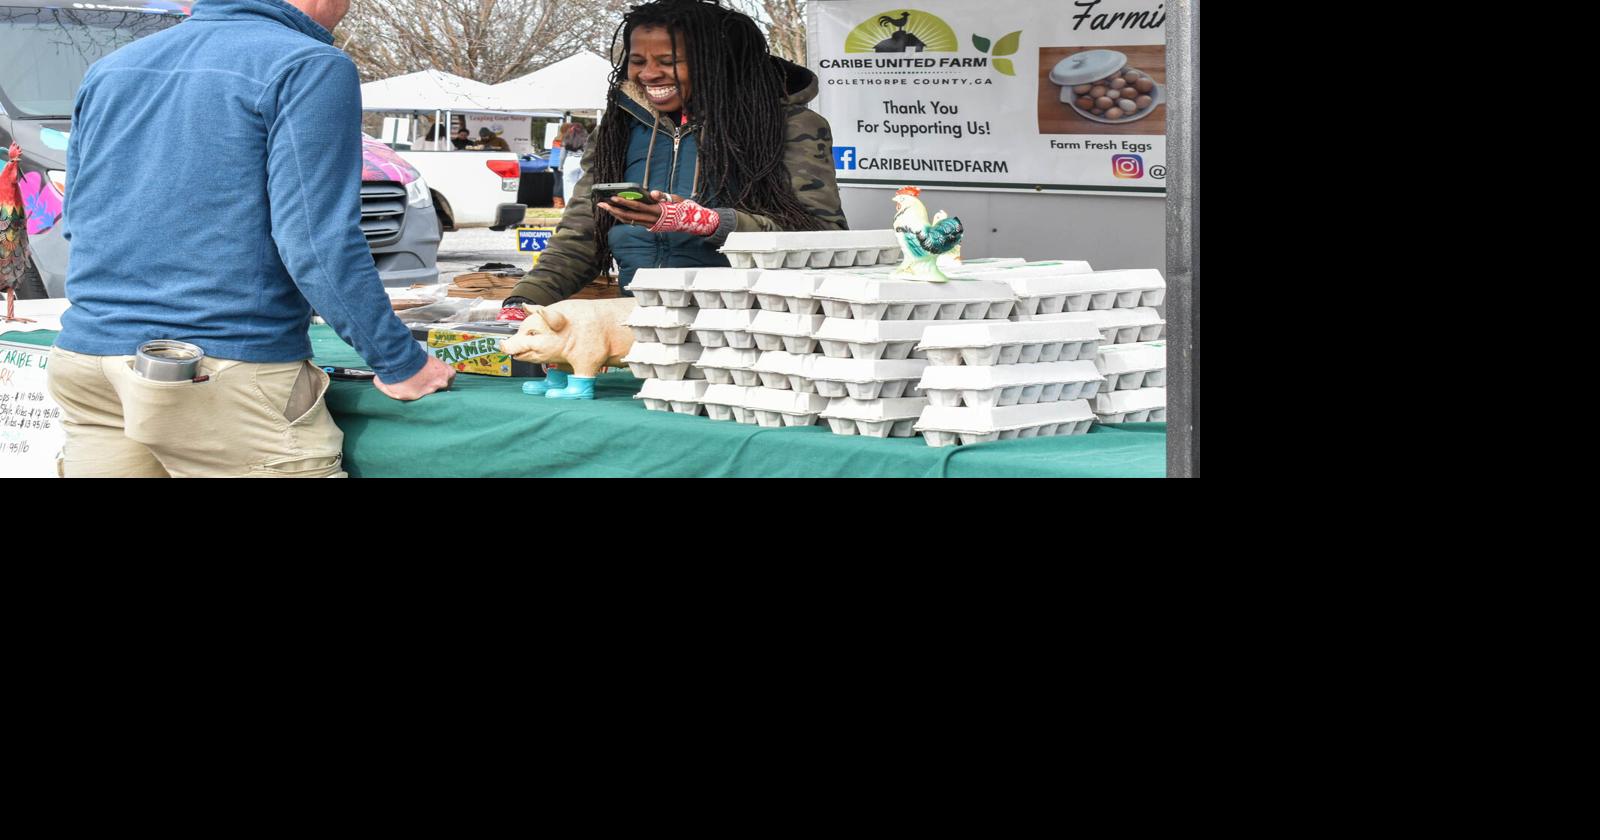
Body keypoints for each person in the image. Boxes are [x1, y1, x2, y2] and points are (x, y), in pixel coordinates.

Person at [47, 0, 455, 478]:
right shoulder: (308, 63)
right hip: (220, 368)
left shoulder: (111, 68)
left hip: (87, 360)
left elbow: (77, 219)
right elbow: (316, 242)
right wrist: (400, 361)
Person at [498, 0, 847, 399]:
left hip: (748, 347)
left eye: (669, 60)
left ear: (719, 61)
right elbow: (579, 236)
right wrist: (526, 300)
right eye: (637, 59)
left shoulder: (789, 125)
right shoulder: (617, 130)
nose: (648, 73)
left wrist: (707, 223)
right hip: (646, 341)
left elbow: (822, 235)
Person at [559, 122, 587, 207]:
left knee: (569, 186)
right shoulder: (586, 138)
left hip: (570, 162)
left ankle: (569, 206)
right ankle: (580, 206)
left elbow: (562, 155)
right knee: (581, 186)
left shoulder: (566, 138)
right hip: (582, 161)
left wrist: (560, 166)